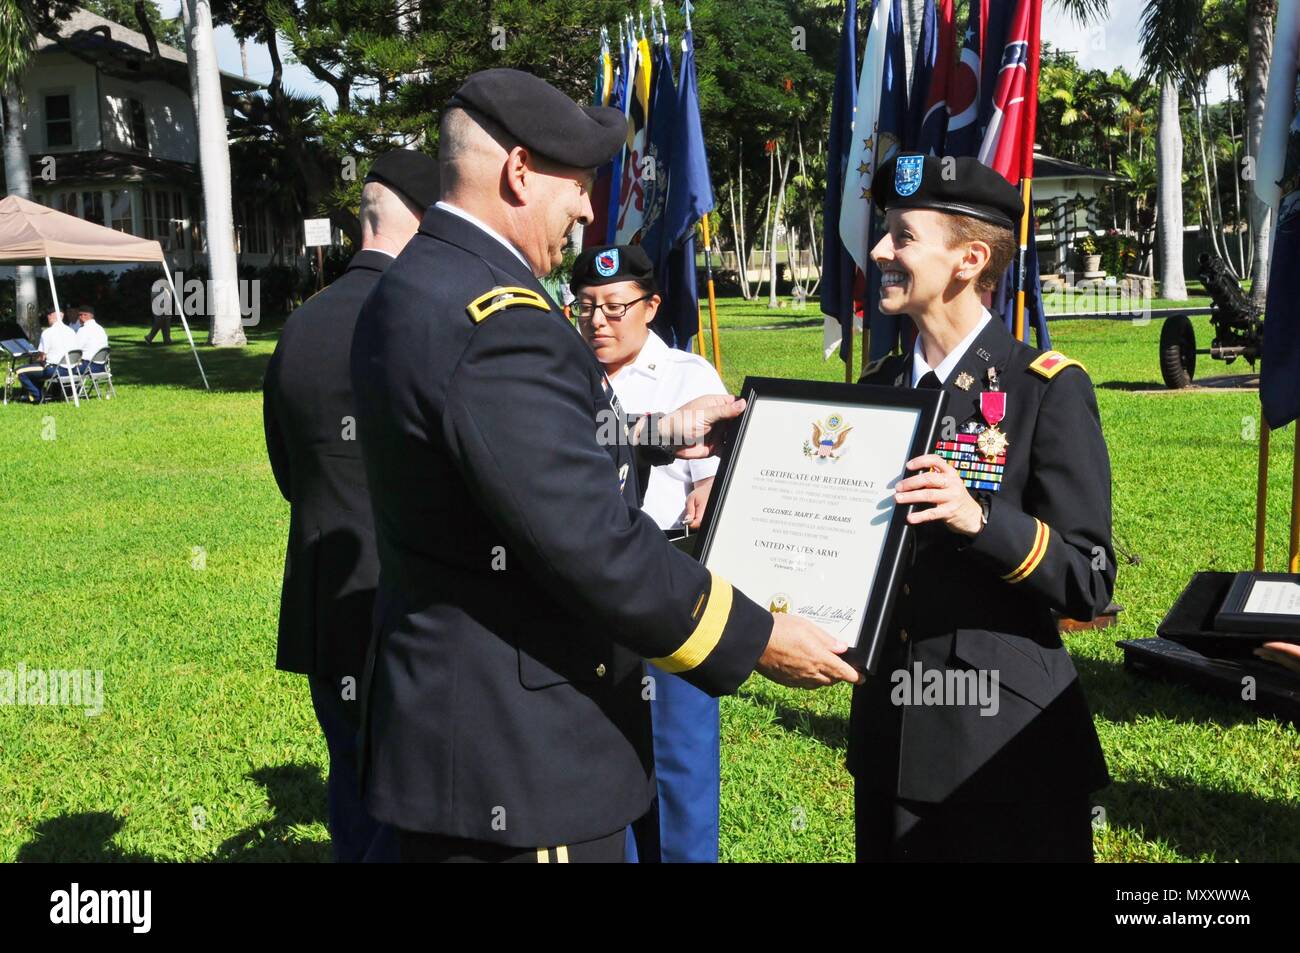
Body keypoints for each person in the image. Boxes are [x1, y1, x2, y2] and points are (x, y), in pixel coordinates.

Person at [349, 68, 859, 864]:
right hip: (524, 765)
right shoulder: (501, 321)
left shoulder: (416, 285)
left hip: (450, 723)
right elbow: (590, 540)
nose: (589, 209)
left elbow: (501, 454)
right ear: (520, 172)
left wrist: (660, 431)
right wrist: (758, 636)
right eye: (580, 186)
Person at [849, 153, 1114, 862]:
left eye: (902, 236)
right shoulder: (874, 391)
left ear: (968, 259)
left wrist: (981, 520)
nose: (879, 251)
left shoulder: (1044, 390)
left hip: (1000, 753)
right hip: (887, 742)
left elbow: (1090, 577)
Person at [263, 149, 441, 863]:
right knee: (414, 807)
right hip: (411, 601)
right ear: (427, 223)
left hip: (323, 595)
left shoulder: (300, 327)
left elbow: (288, 468)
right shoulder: (423, 314)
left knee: (351, 783)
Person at [571, 243, 724, 863]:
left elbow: (719, 469)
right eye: (585, 308)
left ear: (652, 306)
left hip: (668, 583)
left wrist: (713, 484)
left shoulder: (688, 377)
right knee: (603, 755)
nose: (598, 322)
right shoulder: (564, 375)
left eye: (615, 307)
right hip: (586, 592)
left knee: (678, 759)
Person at [16, 307, 77, 403]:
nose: (48, 318)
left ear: (52, 316)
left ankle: (37, 397)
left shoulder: (48, 332)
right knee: (37, 368)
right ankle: (43, 393)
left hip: (54, 369)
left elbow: (42, 356)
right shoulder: (71, 331)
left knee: (20, 371)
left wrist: (34, 359)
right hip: (71, 369)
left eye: (48, 316)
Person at [73, 305, 109, 373]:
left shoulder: (83, 330)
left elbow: (75, 349)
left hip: (88, 366)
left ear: (83, 316)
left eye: (79, 315)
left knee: (64, 369)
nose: (78, 318)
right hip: (102, 366)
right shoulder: (100, 328)